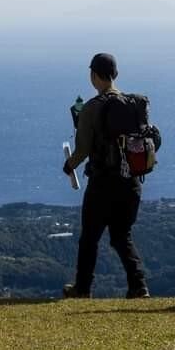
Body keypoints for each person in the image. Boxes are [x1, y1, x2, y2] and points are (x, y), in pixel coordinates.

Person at [62, 53, 150, 299]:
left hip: (102, 183)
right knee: (122, 236)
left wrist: (69, 165)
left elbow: (82, 150)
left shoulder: (92, 107)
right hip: (131, 181)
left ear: (93, 75)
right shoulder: (134, 105)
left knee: (89, 238)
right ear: (115, 74)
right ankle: (138, 285)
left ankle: (82, 288)